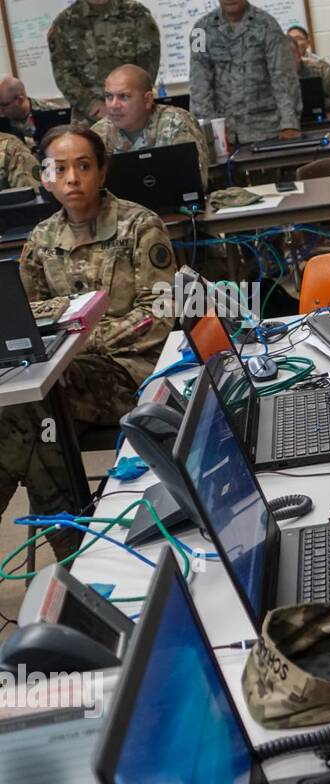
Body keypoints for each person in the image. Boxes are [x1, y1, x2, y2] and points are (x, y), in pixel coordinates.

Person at [2, 127, 174, 554]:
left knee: (32, 414)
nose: (72, 179)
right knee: (33, 425)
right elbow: (27, 317)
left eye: (83, 166)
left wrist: (81, 339)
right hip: (64, 378)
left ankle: (69, 546)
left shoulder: (138, 226)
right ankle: (72, 545)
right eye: (59, 169)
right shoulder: (42, 239)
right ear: (45, 177)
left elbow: (162, 313)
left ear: (102, 172)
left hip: (132, 374)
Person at [189, 0, 302, 145]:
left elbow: (283, 78)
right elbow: (199, 85)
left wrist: (289, 124)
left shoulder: (268, 25)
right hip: (223, 136)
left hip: (267, 131)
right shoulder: (200, 31)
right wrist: (206, 134)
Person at [91, 65, 210, 188]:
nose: (113, 105)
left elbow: (196, 182)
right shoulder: (97, 135)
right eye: (109, 97)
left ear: (147, 100)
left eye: (124, 97)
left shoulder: (176, 122)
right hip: (120, 207)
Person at [46, 0, 160, 123]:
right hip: (89, 117)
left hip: (134, 114)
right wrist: (92, 105)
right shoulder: (65, 23)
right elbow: (63, 75)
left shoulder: (137, 14)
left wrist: (129, 102)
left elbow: (148, 67)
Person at [290, 35, 330, 113]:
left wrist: (320, 103)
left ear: (299, 55)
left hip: (320, 119)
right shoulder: (271, 76)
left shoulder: (319, 69)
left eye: (289, 56)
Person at [0, 76, 56, 145]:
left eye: (4, 105)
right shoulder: (2, 118)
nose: (1, 110)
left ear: (20, 99)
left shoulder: (50, 111)